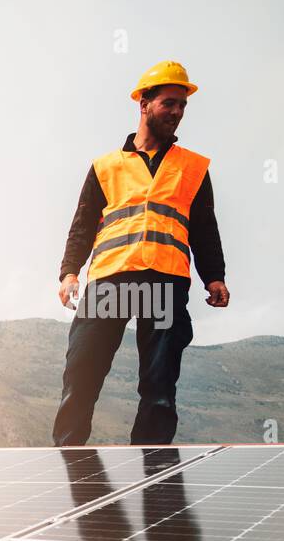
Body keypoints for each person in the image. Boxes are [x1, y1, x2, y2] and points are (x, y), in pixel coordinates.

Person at [52, 60, 229, 447]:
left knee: (159, 388)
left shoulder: (193, 168)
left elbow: (204, 227)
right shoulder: (106, 167)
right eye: (169, 103)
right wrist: (69, 273)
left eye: (182, 105)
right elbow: (83, 225)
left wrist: (214, 276)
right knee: (81, 376)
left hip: (165, 281)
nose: (177, 112)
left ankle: (151, 471)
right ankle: (67, 459)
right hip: (110, 281)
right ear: (144, 104)